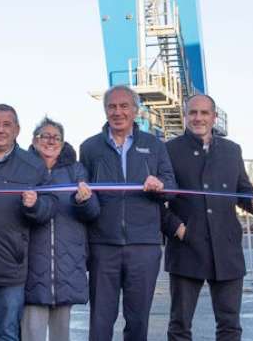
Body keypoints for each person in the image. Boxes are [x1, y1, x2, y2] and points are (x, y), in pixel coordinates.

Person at [162, 94, 253, 341]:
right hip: (187, 247)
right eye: (193, 113)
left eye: (204, 113)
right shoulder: (169, 150)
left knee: (230, 326)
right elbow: (156, 201)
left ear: (214, 117)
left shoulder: (232, 150)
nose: (198, 118)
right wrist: (177, 228)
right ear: (186, 115)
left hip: (226, 249)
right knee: (179, 325)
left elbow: (243, 191)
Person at [78, 85, 176, 341]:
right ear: (105, 110)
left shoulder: (154, 145)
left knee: (138, 319)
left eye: (124, 106)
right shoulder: (90, 147)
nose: (117, 112)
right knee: (100, 320)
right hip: (103, 245)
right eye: (112, 106)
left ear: (135, 110)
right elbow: (83, 196)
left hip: (143, 246)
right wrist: (82, 200)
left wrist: (160, 187)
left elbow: (172, 188)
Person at [0, 104, 53, 341]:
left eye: (7, 125)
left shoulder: (33, 166)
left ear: (17, 129)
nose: (0, 130)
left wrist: (34, 205)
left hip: (9, 271)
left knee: (5, 334)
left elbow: (48, 209)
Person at [22, 118, 100, 341]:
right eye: (44, 136)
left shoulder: (76, 170)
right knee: (31, 333)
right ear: (34, 140)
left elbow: (93, 212)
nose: (50, 141)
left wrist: (83, 201)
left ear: (63, 142)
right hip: (32, 264)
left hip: (68, 264)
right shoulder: (25, 168)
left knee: (61, 335)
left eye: (56, 137)